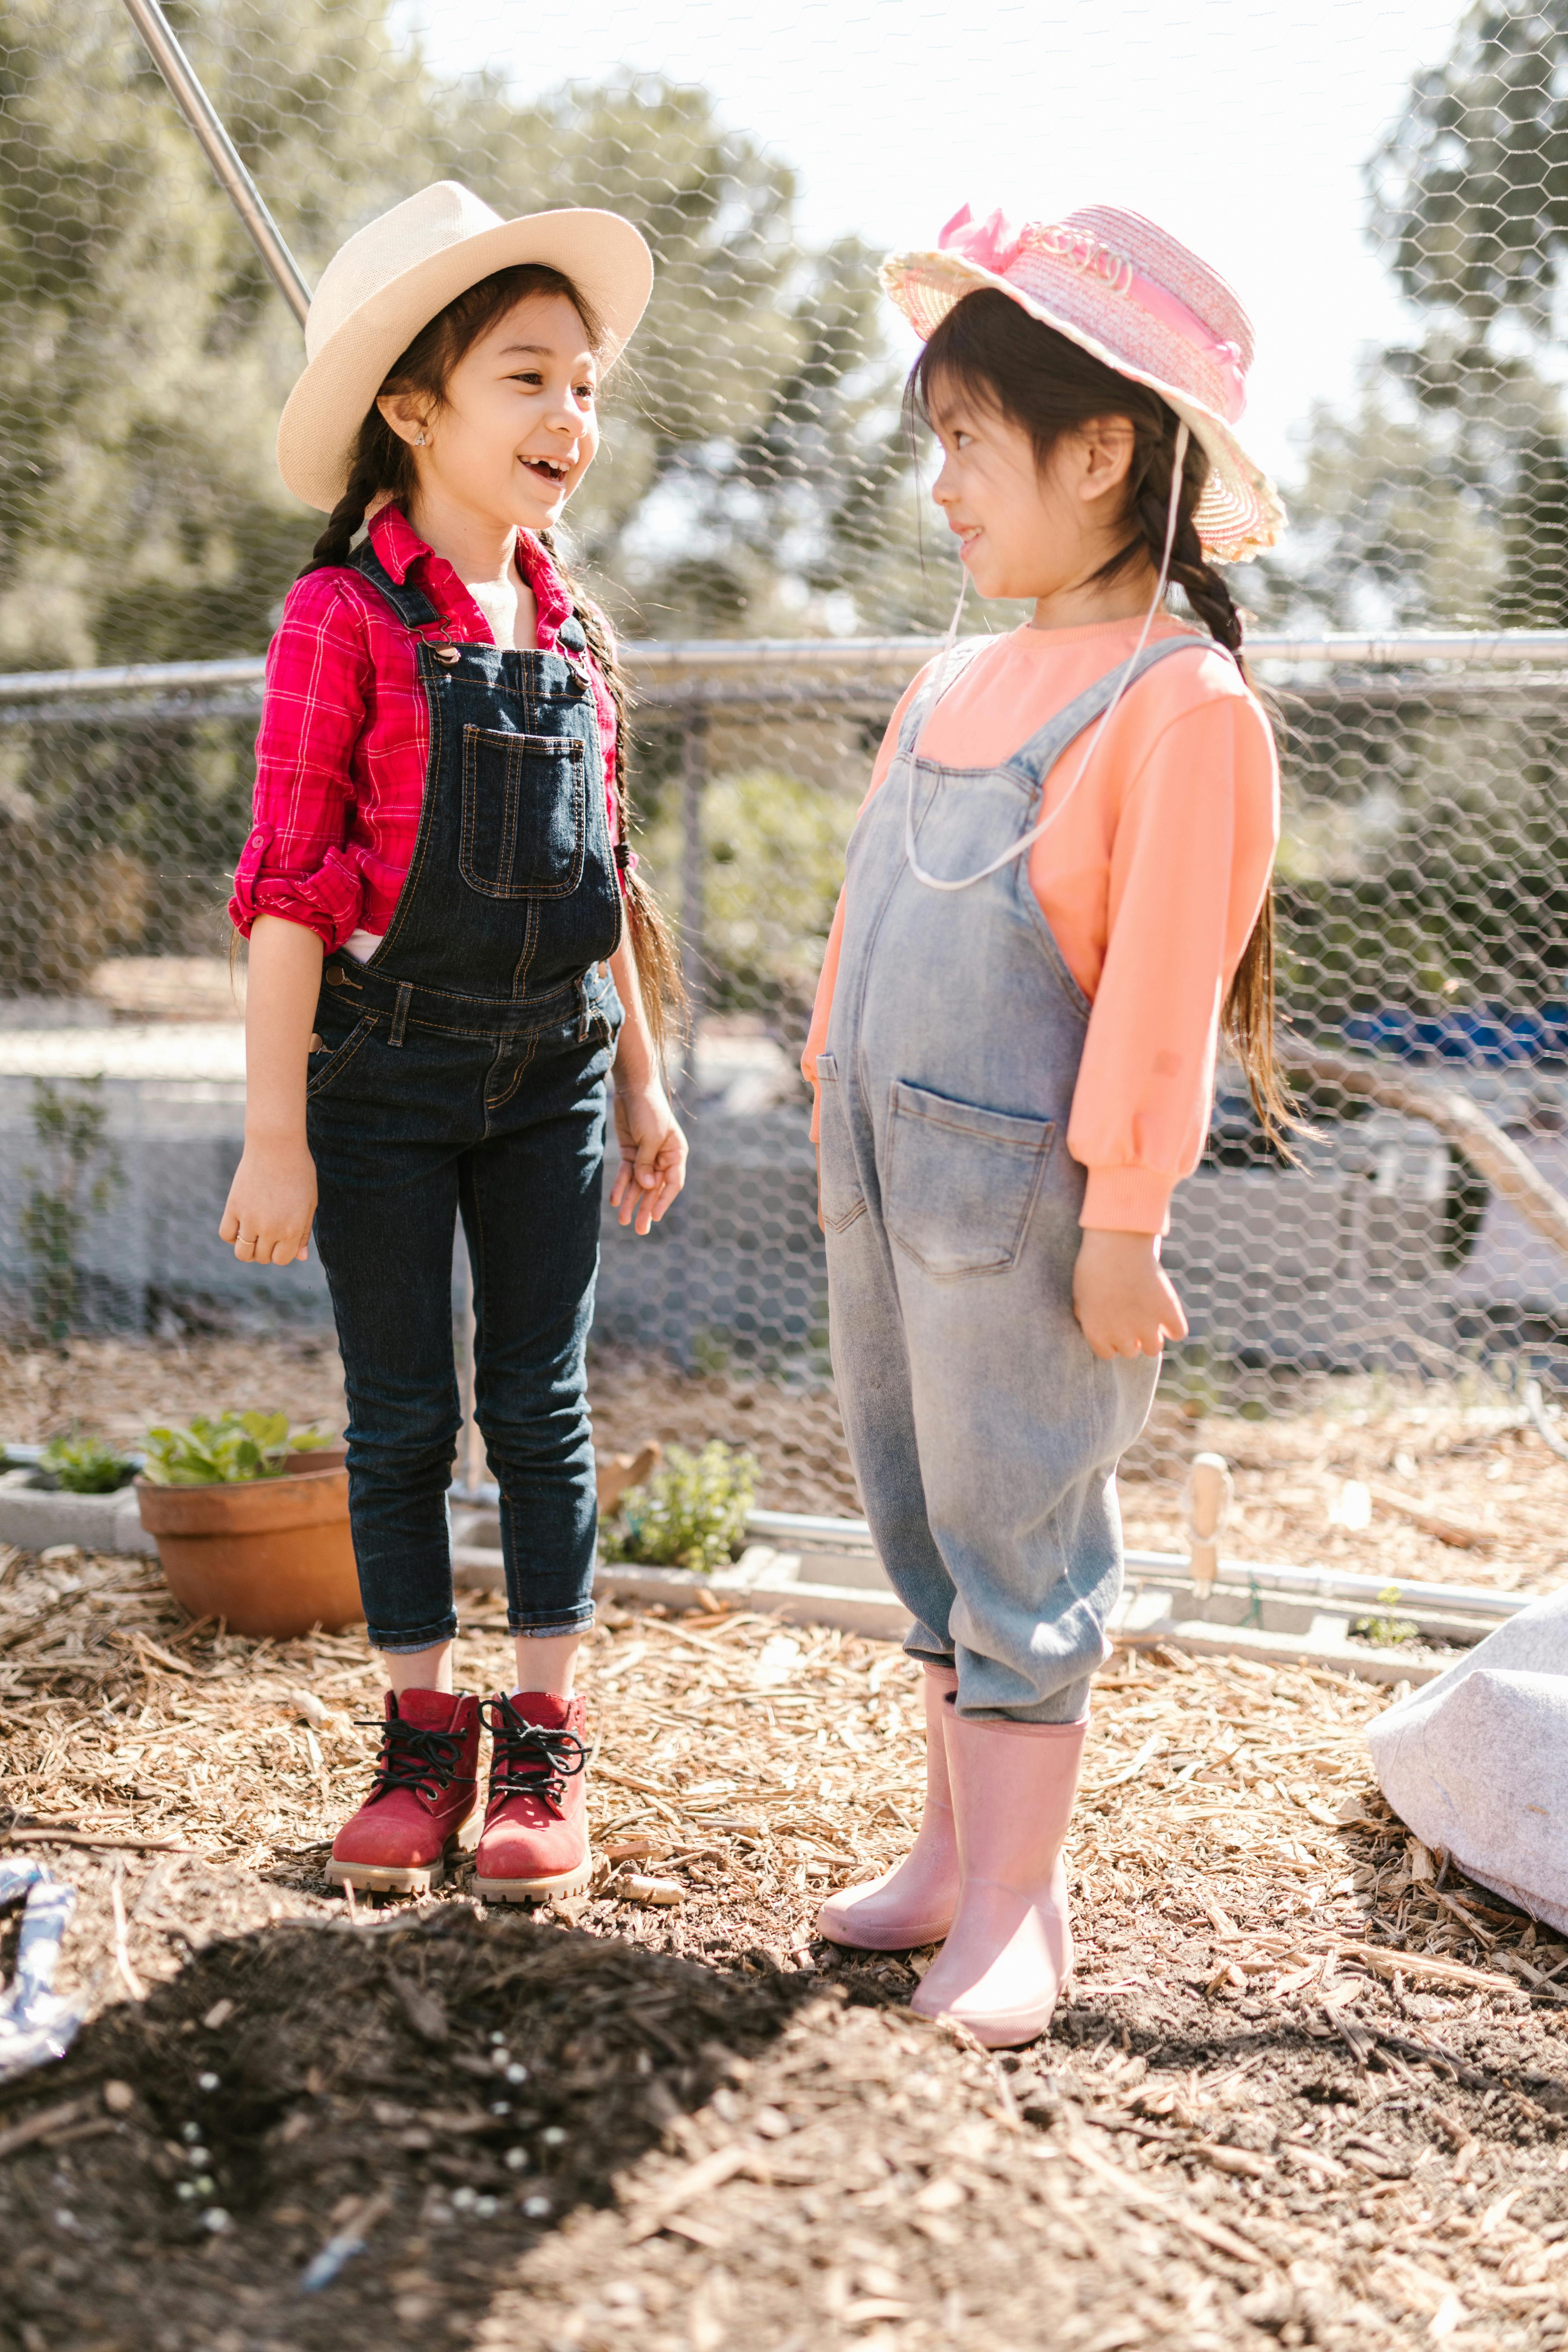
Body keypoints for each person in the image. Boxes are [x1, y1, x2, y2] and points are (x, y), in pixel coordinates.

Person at [802, 205, 1285, 2044]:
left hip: (1029, 1206)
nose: (940, 485)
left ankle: (1018, 1907)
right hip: (881, 1181)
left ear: (1101, 452)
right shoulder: (945, 683)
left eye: (967, 444)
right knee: (919, 1512)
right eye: (934, 447)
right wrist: (823, 1084)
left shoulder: (1184, 704)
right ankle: (948, 1852)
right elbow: (869, 916)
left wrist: (1125, 1218)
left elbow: (1165, 990)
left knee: (1020, 1523)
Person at [222, 183, 687, 1903]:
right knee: (403, 1412)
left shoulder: (571, 626)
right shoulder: (338, 621)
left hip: (557, 1068)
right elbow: (283, 893)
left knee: (543, 1408)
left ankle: (542, 1748)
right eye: (527, 378)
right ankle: (423, 1739)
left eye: (585, 384)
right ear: (412, 408)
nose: (572, 414)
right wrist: (278, 1130)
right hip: (385, 1081)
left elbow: (609, 873)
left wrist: (637, 1076)